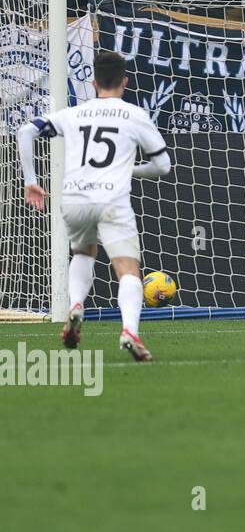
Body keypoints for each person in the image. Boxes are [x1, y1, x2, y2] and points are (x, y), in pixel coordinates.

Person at [17, 51, 172, 361]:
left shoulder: (74, 114)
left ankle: (76, 305)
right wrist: (131, 170)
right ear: (125, 82)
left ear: (93, 82)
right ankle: (129, 331)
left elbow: (26, 130)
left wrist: (31, 180)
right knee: (127, 268)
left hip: (74, 199)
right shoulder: (134, 115)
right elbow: (163, 165)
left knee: (83, 251)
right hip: (112, 200)